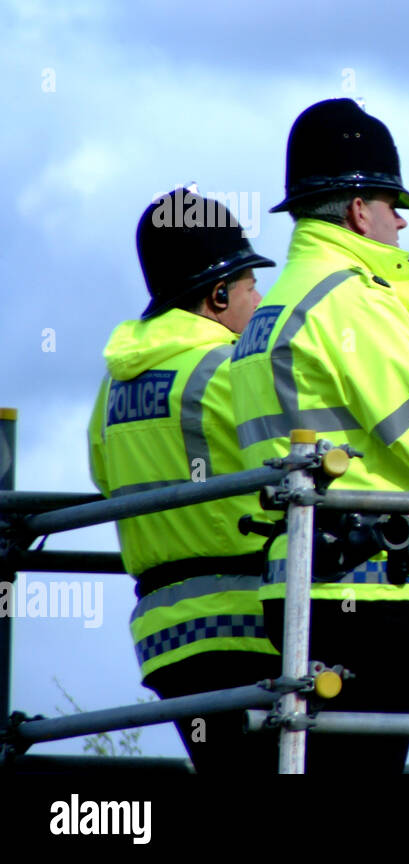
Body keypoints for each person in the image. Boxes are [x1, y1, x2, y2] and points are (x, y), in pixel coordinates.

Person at [230, 98, 409, 774]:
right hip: (368, 593)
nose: (401, 220)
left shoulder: (274, 306)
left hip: (292, 584)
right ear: (359, 209)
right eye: (392, 203)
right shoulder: (352, 298)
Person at [88, 187, 280, 773]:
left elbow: (105, 480)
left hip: (165, 641)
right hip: (245, 625)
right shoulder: (229, 370)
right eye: (251, 286)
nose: (261, 299)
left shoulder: (112, 389)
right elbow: (299, 471)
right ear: (217, 293)